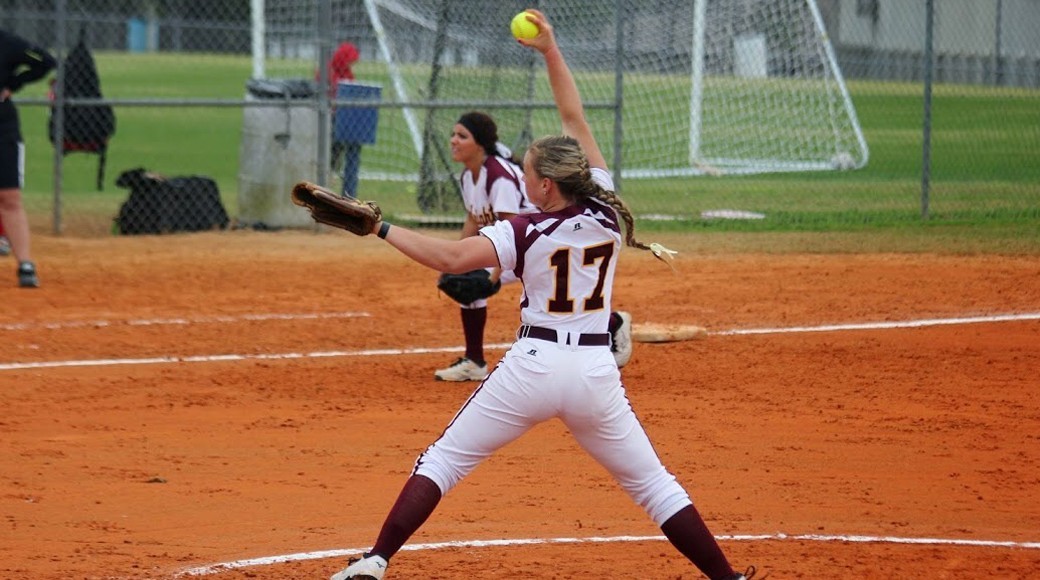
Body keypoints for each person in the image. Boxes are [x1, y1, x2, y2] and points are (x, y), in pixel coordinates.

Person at [329, 9, 756, 580]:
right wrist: (551, 49)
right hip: (595, 371)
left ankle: (375, 562)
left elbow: (452, 258)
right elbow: (573, 116)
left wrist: (377, 229)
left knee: (445, 461)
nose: (522, 177)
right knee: (654, 485)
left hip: (532, 367)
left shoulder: (524, 229)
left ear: (546, 185)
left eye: (528, 173)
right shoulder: (605, 208)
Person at [434, 111, 633, 381]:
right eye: (453, 134)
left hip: (543, 239)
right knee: (470, 279)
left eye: (462, 135)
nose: (453, 141)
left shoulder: (498, 176)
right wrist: (461, 260)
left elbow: (511, 226)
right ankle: (475, 361)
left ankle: (612, 323)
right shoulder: (469, 177)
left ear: (479, 143)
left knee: (557, 289)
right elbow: (474, 217)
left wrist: (490, 278)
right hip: (520, 243)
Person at [1, 28, 56, 288]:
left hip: (2, 126)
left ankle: (25, 263)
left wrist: (12, 84)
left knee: (9, 195)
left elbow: (45, 61)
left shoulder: (8, 42)